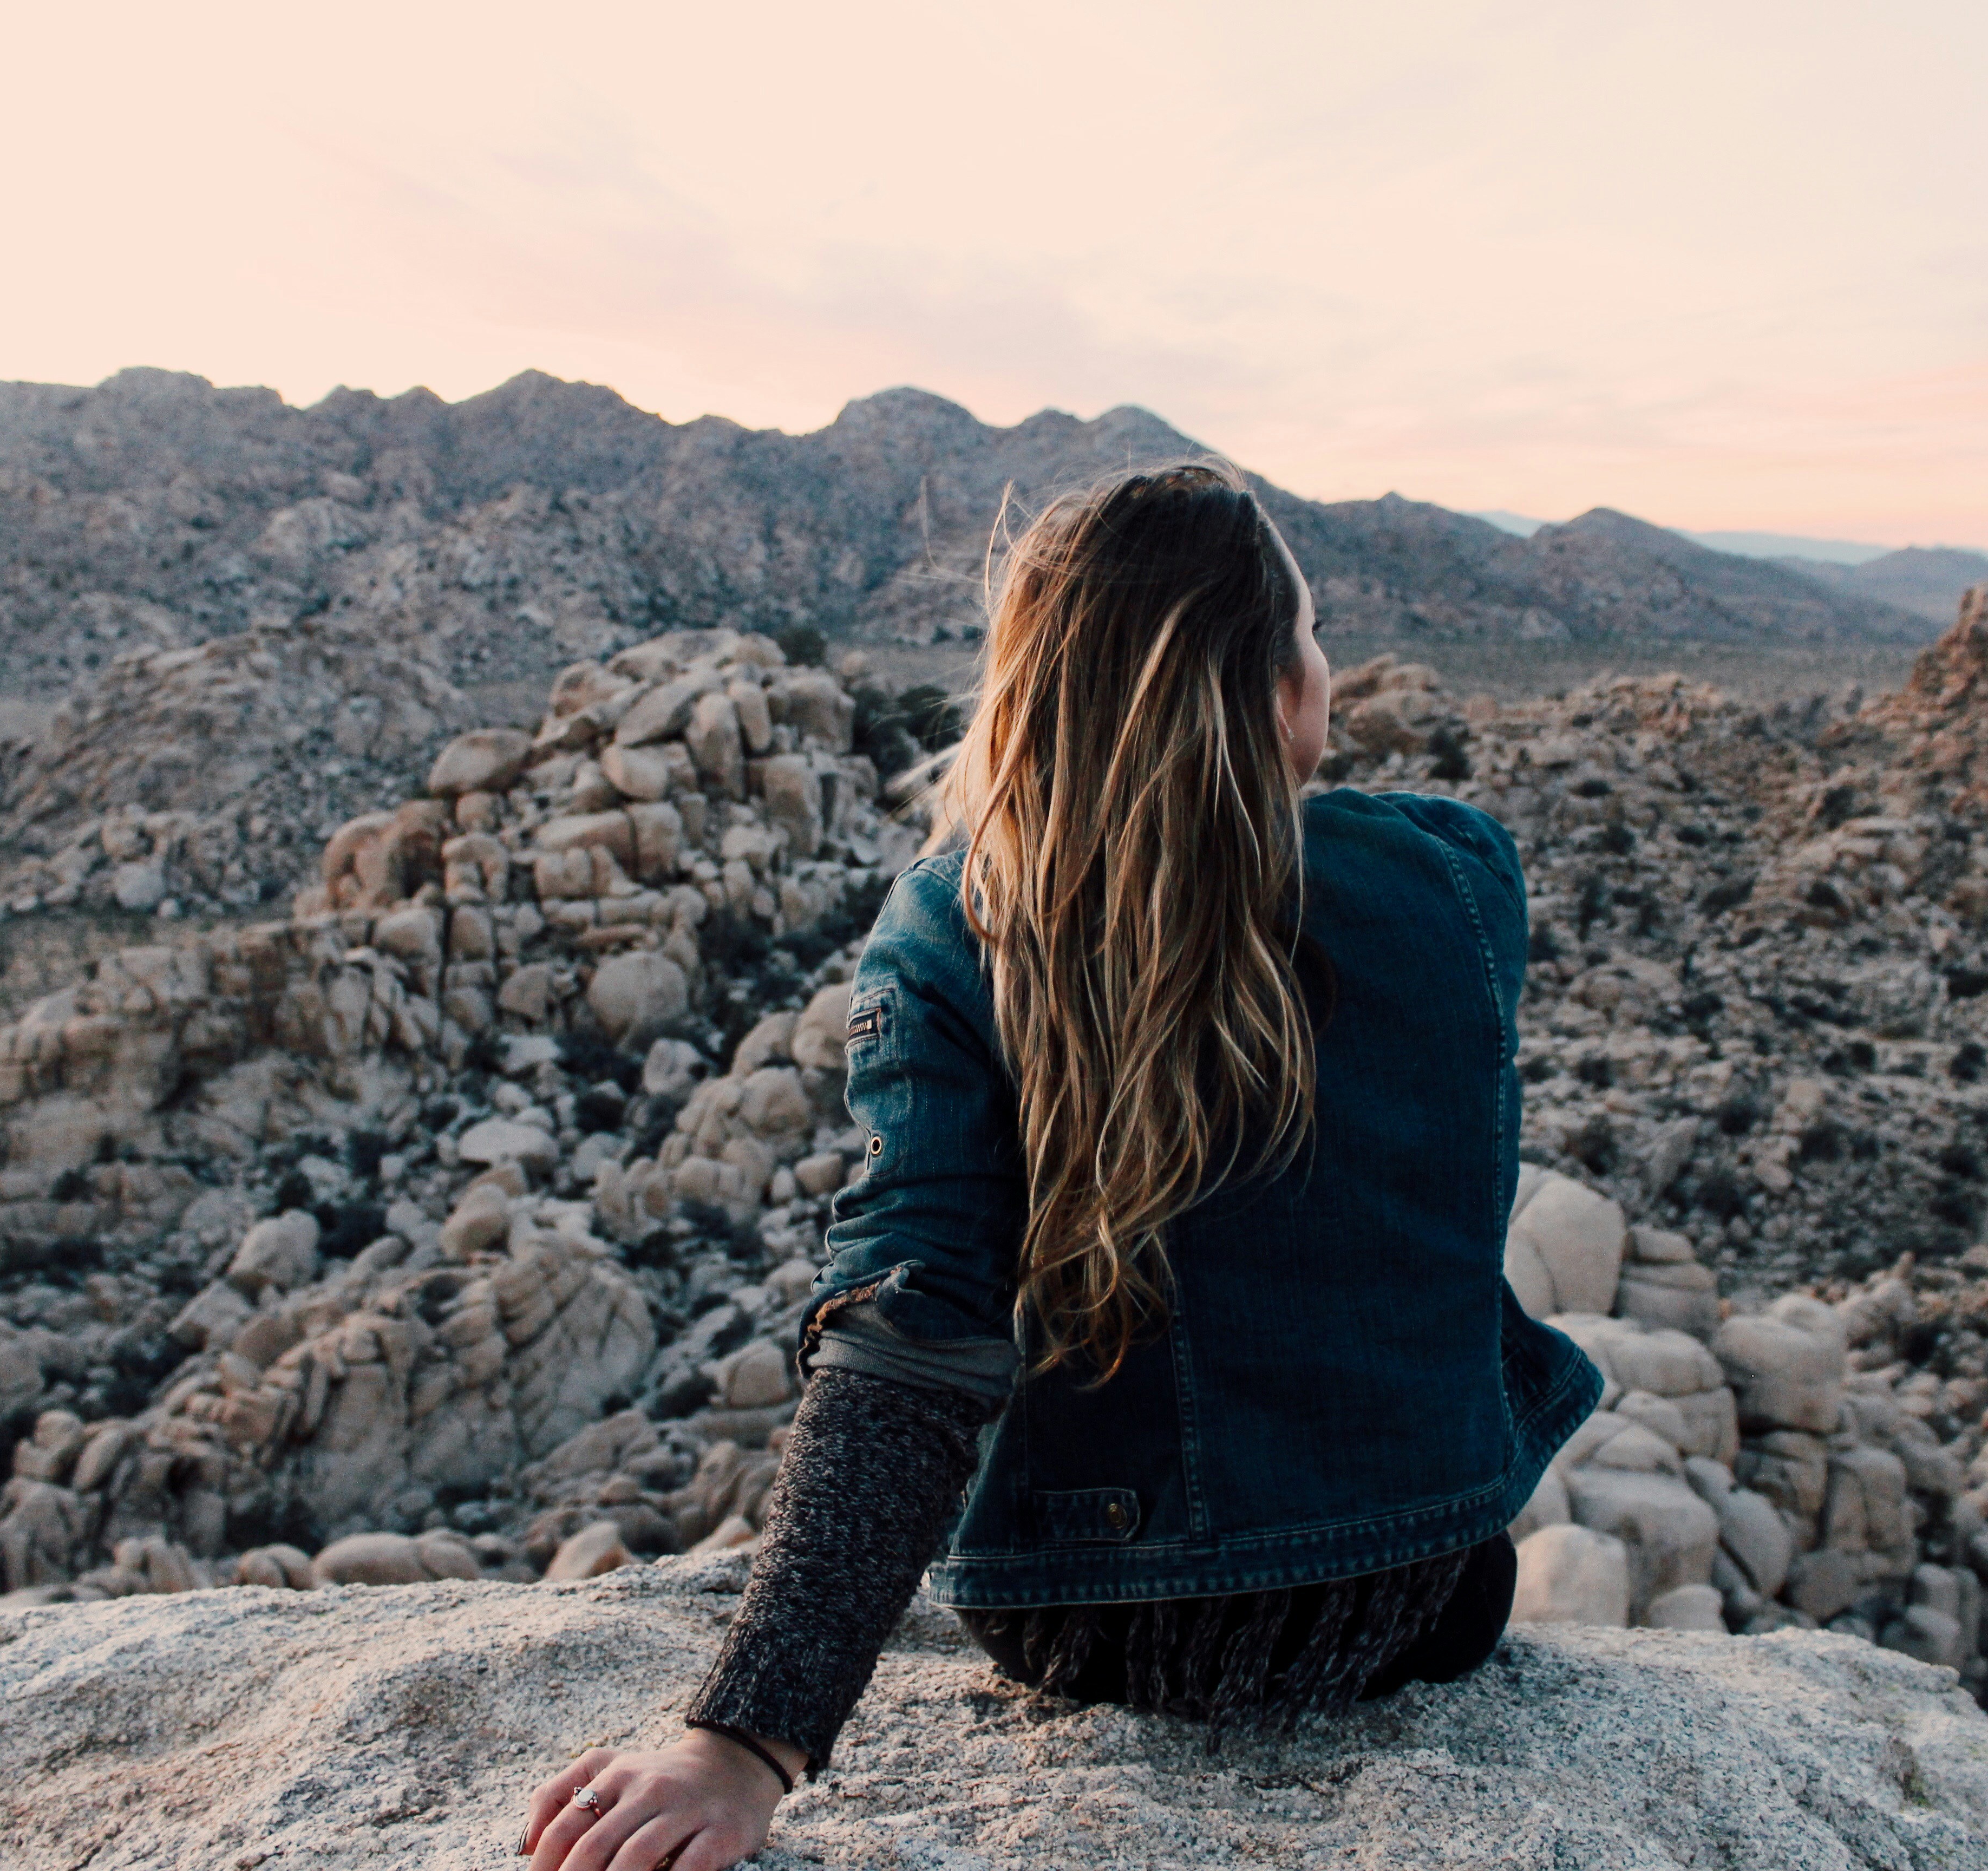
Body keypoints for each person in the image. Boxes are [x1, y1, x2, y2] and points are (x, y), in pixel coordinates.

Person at [521, 463, 1599, 1871]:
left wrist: (745, 1741)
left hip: (1077, 1614)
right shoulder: (1460, 878)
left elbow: (912, 1330)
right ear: (1281, 692)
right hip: (1409, 1590)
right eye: (1310, 635)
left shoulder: (959, 925)